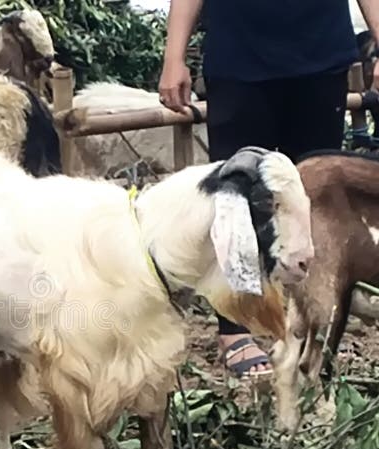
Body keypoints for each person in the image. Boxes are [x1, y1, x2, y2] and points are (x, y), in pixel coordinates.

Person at [157, 0, 379, 380]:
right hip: (238, 56)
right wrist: (173, 55)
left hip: (319, 55)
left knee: (315, 201)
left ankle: (306, 328)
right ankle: (233, 326)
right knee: (233, 198)